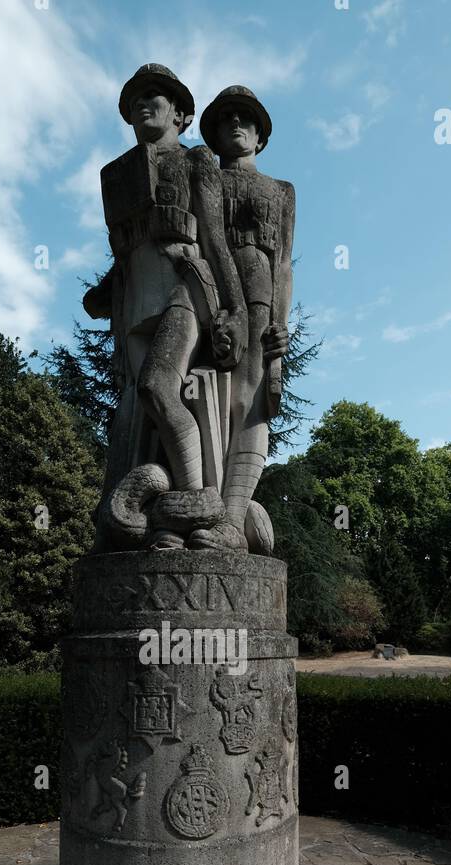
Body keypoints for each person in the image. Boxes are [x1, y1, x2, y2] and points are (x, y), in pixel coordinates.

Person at [84, 64, 248, 549]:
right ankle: (161, 527)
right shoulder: (116, 173)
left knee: (159, 387)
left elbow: (215, 240)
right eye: (135, 97)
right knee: (138, 410)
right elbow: (126, 251)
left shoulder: (196, 161)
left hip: (185, 290)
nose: (142, 103)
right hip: (134, 301)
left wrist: (235, 309)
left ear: (180, 113)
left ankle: (199, 503)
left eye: (155, 95)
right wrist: (104, 290)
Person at [191, 85, 295, 551]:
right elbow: (211, 237)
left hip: (260, 301)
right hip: (210, 298)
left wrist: (280, 323)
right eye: (226, 117)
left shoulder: (282, 191)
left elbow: (285, 263)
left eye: (245, 118)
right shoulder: (208, 176)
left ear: (260, 136)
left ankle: (231, 522)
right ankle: (202, 508)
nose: (236, 123)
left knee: (253, 405)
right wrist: (229, 307)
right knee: (208, 400)